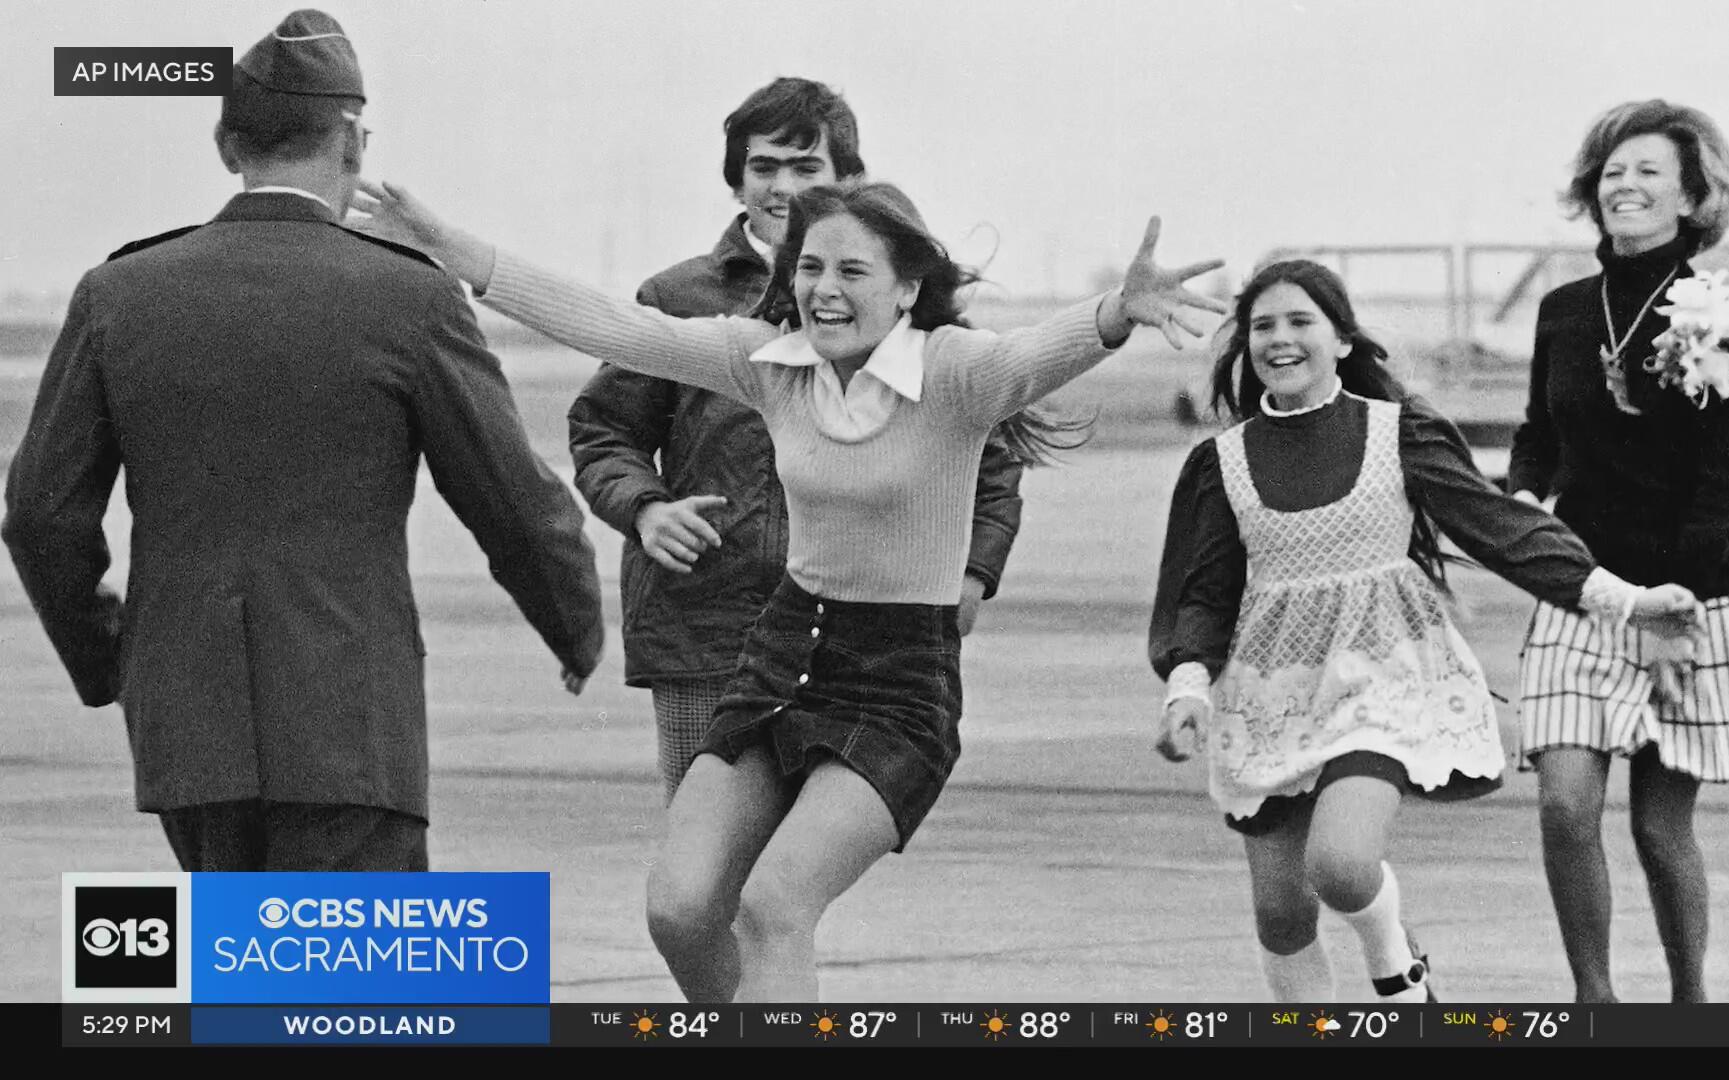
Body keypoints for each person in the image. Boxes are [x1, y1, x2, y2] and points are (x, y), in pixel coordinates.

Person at [352, 175, 1223, 1001]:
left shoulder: (957, 373)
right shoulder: (770, 363)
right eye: (809, 267)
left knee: (773, 908)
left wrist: (1118, 311)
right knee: (681, 907)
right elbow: (613, 327)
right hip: (782, 661)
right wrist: (453, 251)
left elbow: (1042, 353)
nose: (824, 290)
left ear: (908, 289)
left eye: (852, 270)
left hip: (898, 688)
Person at [2, 11, 604, 872]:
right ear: (353, 145)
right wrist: (573, 624)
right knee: (351, 997)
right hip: (349, 735)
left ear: (225, 145)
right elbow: (514, 501)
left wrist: (113, 661)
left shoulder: (117, 293)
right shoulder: (409, 298)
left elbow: (38, 515)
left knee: (240, 986)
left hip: (188, 734)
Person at [1151, 258, 1701, 1002]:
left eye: (1300, 321)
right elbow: (1202, 594)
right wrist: (1187, 688)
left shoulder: (1397, 433)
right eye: (1262, 327)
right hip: (1271, 696)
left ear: (1343, 340)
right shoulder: (1222, 463)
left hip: (1386, 680)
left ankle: (1398, 971)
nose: (1280, 339)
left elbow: (1503, 528)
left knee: (1342, 865)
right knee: (1281, 916)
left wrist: (1627, 602)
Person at [568, 77, 1028, 804]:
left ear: (847, 181)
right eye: (763, 167)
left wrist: (971, 576)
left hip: (857, 640)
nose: (782, 187)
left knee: (795, 869)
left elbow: (992, 466)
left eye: (806, 168)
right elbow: (604, 431)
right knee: (702, 872)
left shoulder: (896, 304)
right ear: (736, 179)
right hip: (707, 627)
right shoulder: (678, 299)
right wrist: (646, 508)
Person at [1506, 99, 1729, 1001]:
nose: (1624, 186)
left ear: (1692, 197)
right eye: (1612, 172)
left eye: (1648, 173)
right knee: (1563, 806)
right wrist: (1519, 497)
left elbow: (1725, 484)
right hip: (1583, 590)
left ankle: (1689, 1004)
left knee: (1661, 833)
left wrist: (1670, 606)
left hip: (1690, 593)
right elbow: (1537, 434)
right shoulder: (1561, 310)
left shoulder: (1722, 315)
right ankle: (1596, 1001)